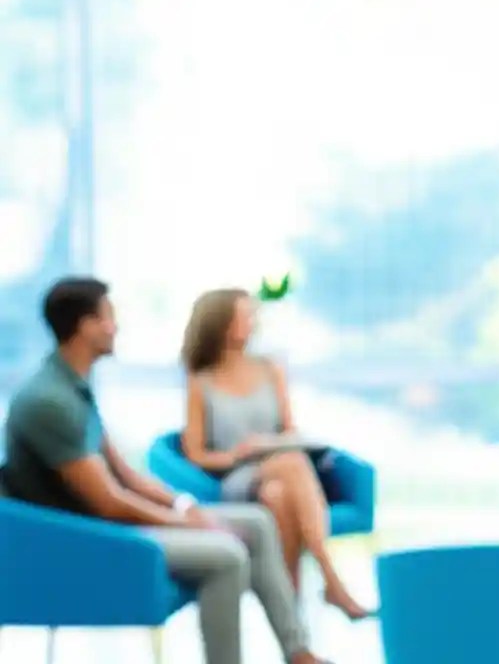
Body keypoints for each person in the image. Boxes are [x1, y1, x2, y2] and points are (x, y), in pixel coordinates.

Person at [0, 277, 332, 664]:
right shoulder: (50, 402)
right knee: (227, 554)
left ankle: (298, 652)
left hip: (99, 525)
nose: (116, 327)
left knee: (257, 522)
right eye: (109, 317)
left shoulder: (73, 387)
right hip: (82, 540)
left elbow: (126, 475)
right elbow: (108, 504)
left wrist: (184, 505)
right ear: (86, 326)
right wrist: (191, 525)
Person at [179, 287, 371, 620]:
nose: (253, 322)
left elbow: (290, 430)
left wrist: (267, 445)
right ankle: (330, 579)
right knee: (291, 465)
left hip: (278, 467)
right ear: (223, 323)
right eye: (245, 316)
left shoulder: (271, 369)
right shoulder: (201, 381)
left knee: (278, 494)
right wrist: (239, 454)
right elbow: (195, 454)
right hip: (237, 477)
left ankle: (292, 614)